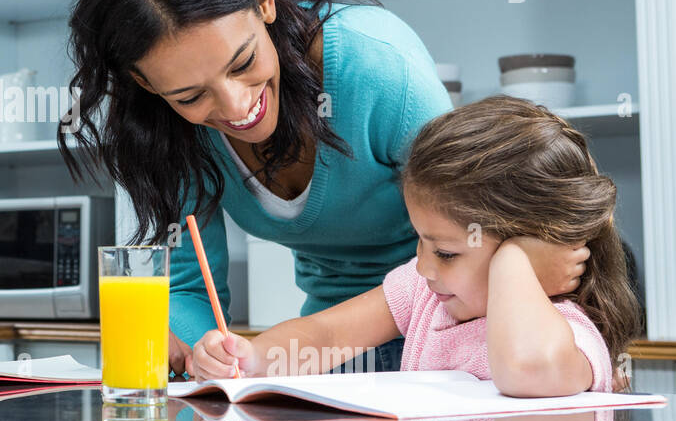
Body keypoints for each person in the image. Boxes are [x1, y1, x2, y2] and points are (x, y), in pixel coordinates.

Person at [60, 0, 586, 374]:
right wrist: (213, 355)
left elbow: (488, 232)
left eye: (243, 64)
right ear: (147, 84)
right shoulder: (166, 129)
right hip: (321, 347)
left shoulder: (376, 68)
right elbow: (184, 287)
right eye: (190, 95)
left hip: (455, 326)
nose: (236, 106)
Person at [192, 95, 644, 397]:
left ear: (534, 248)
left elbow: (526, 369)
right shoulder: (428, 295)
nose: (423, 266)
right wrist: (251, 358)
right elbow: (324, 336)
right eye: (420, 243)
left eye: (446, 252)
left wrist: (514, 264)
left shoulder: (571, 334)